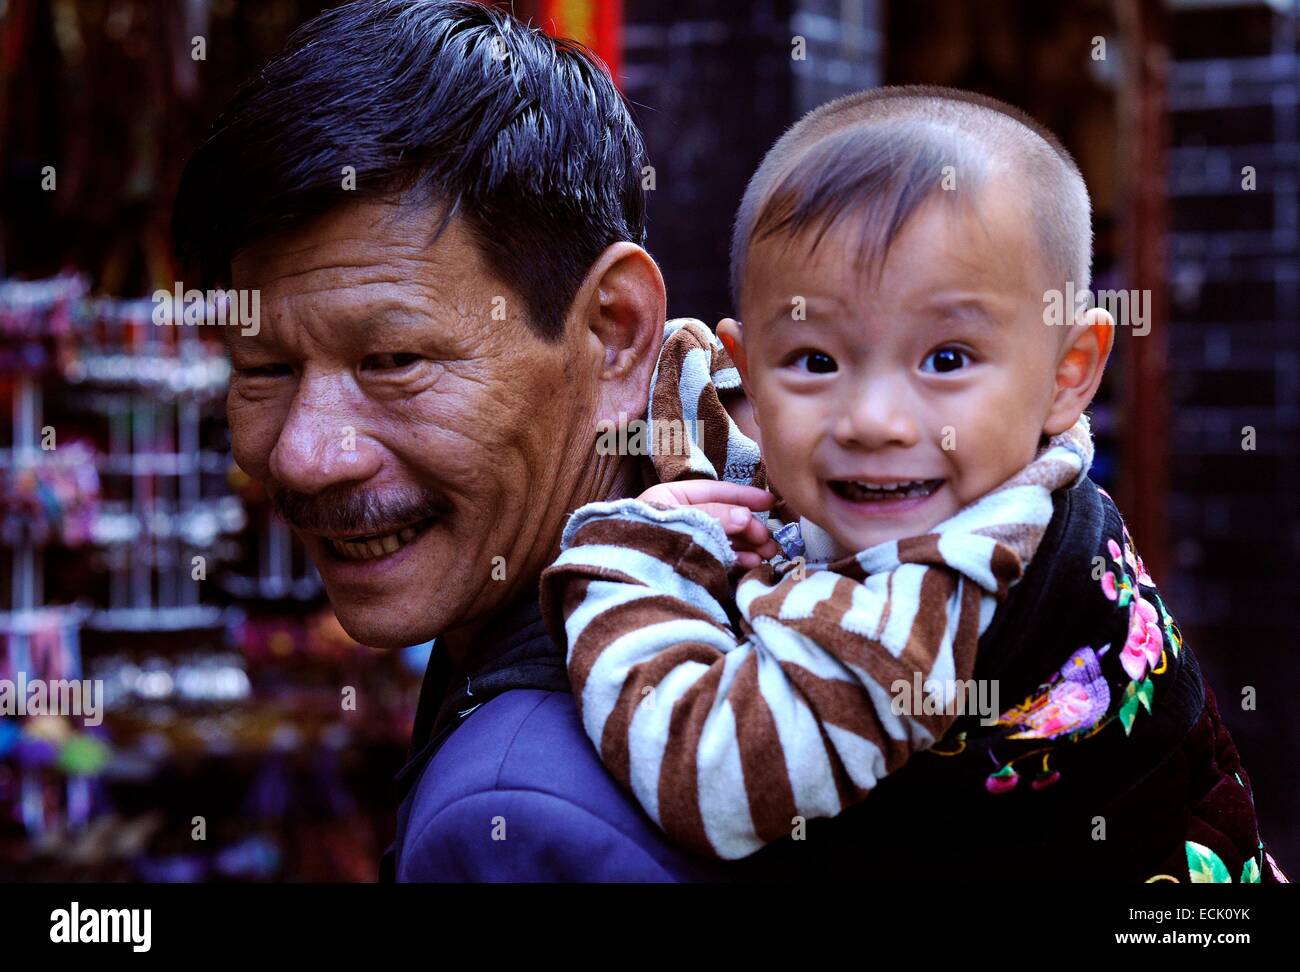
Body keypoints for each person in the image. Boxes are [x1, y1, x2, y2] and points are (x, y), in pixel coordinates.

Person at [541, 87, 1288, 882]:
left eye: (947, 359)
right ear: (751, 370)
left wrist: (636, 558)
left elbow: (704, 773)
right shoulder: (1016, 465)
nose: (873, 420)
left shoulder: (937, 592)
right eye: (817, 360)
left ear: (1068, 374)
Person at [171, 0, 728, 881]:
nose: (306, 457)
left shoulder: (510, 823)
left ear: (614, 333)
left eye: (393, 359)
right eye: (263, 369)